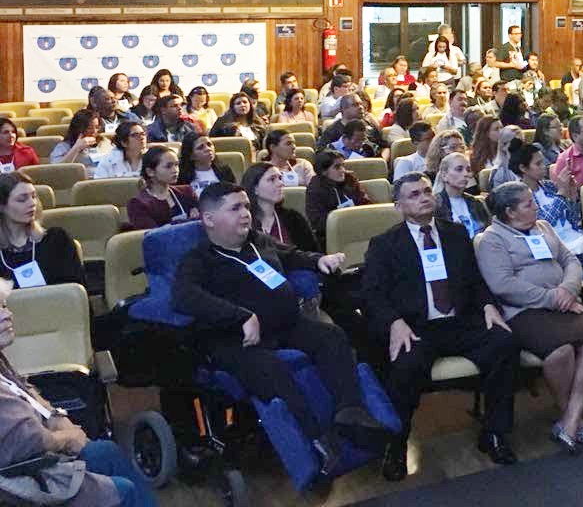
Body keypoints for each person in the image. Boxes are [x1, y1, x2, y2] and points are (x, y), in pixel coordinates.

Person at [174, 182, 386, 478]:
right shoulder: (199, 260)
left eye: (246, 206)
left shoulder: (257, 241)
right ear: (209, 219)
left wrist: (318, 260)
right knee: (273, 369)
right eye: (235, 208)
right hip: (237, 340)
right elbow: (185, 296)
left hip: (284, 324)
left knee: (332, 336)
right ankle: (316, 442)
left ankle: (350, 412)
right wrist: (239, 316)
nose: (246, 213)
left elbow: (292, 254)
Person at [362, 172, 519, 479]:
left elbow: (475, 280)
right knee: (404, 366)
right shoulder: (384, 244)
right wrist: (394, 322)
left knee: (506, 344)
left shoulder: (455, 233)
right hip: (417, 326)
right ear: (399, 206)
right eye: (413, 195)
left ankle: (494, 432)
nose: (423, 197)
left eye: (425, 191)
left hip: (460, 321)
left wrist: (487, 304)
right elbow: (372, 294)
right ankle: (396, 445)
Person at [475, 182, 583, 453]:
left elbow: (570, 259)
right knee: (561, 351)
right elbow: (503, 285)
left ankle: (570, 420)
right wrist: (553, 298)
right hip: (523, 311)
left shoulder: (543, 227)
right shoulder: (490, 239)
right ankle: (571, 416)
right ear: (510, 212)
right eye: (528, 204)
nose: (536, 206)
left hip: (565, 302)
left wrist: (568, 290)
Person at [0, 287, 157, 507]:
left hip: (29, 461)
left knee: (105, 452)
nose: (8, 314)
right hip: (15, 482)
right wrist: (67, 438)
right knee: (123, 491)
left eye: (4, 306)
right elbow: (29, 442)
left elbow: (25, 389)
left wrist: (57, 417)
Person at [510, 142, 583, 299]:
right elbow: (542, 222)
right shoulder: (521, 197)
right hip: (554, 244)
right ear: (523, 169)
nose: (544, 166)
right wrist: (562, 193)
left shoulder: (549, 186)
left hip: (576, 238)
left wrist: (573, 197)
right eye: (538, 163)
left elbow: (574, 220)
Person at [0, 174, 84, 287]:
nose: (32, 203)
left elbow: (77, 292)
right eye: (22, 199)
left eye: (34, 196)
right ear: (2, 206)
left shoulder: (57, 240)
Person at [242, 162, 317, 251]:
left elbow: (313, 254)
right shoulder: (244, 222)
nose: (281, 183)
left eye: (280, 178)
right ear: (255, 188)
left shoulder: (294, 218)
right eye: (272, 179)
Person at [305, 150, 372, 245]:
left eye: (343, 165)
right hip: (331, 236)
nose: (343, 170)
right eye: (337, 167)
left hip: (360, 229)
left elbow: (366, 203)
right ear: (323, 171)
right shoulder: (315, 189)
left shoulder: (350, 179)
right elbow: (318, 223)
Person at [126, 146, 198, 231]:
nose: (175, 170)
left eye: (176, 165)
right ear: (150, 172)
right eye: (168, 166)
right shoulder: (138, 204)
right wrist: (190, 221)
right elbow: (156, 236)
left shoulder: (187, 192)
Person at [433, 152, 492, 238]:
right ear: (444, 175)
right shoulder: (434, 205)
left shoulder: (477, 203)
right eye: (459, 169)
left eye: (468, 170)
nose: (466, 174)